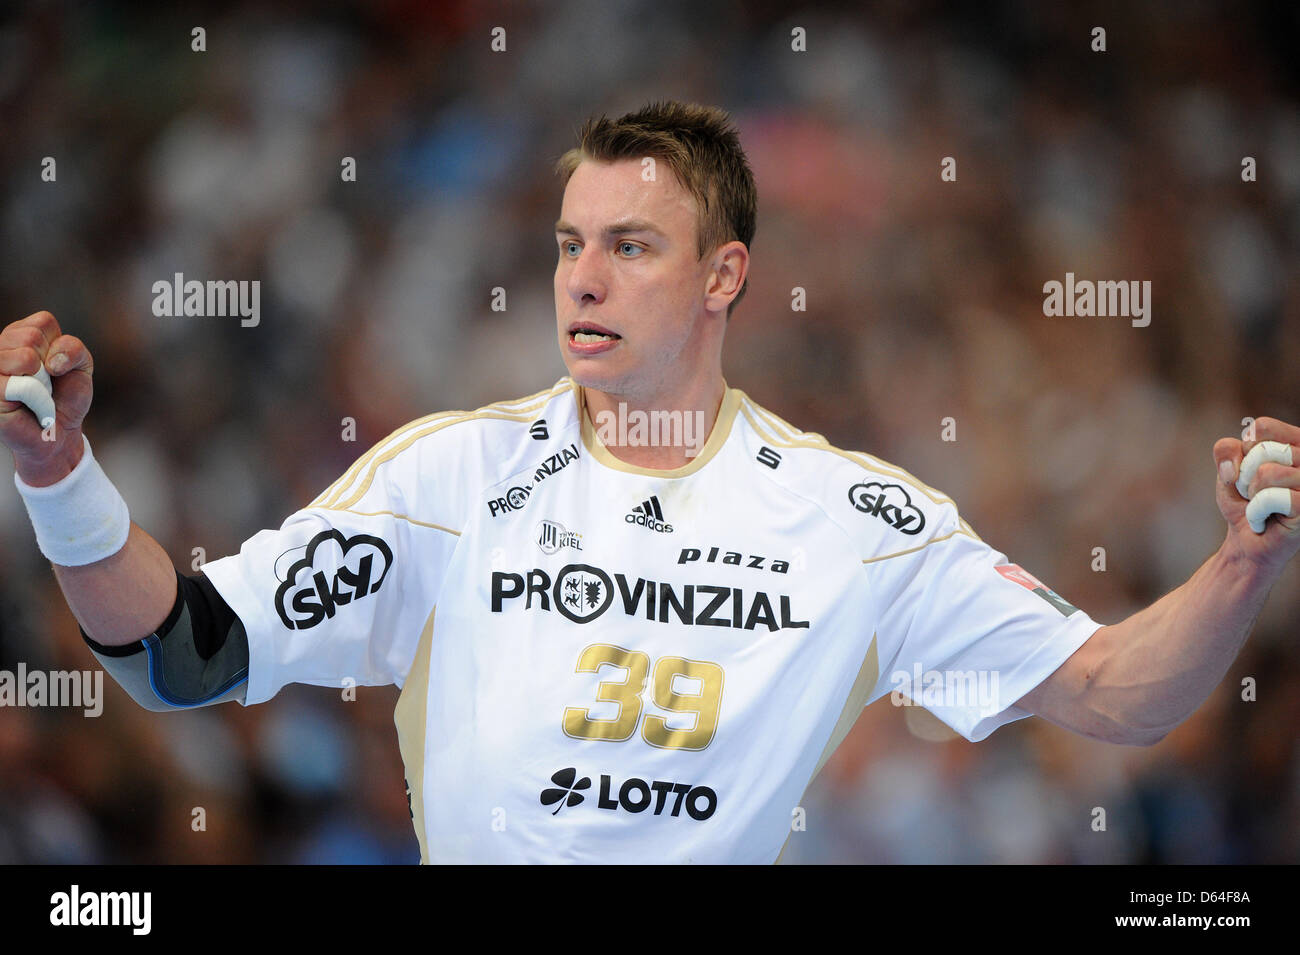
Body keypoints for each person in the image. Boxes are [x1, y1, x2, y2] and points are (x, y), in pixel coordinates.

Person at [3, 101, 1297, 864]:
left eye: (631, 246)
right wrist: (60, 477)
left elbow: (1117, 696)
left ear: (725, 276)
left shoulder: (861, 522)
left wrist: (1242, 561)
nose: (583, 278)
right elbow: (177, 658)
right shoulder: (453, 475)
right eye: (572, 245)